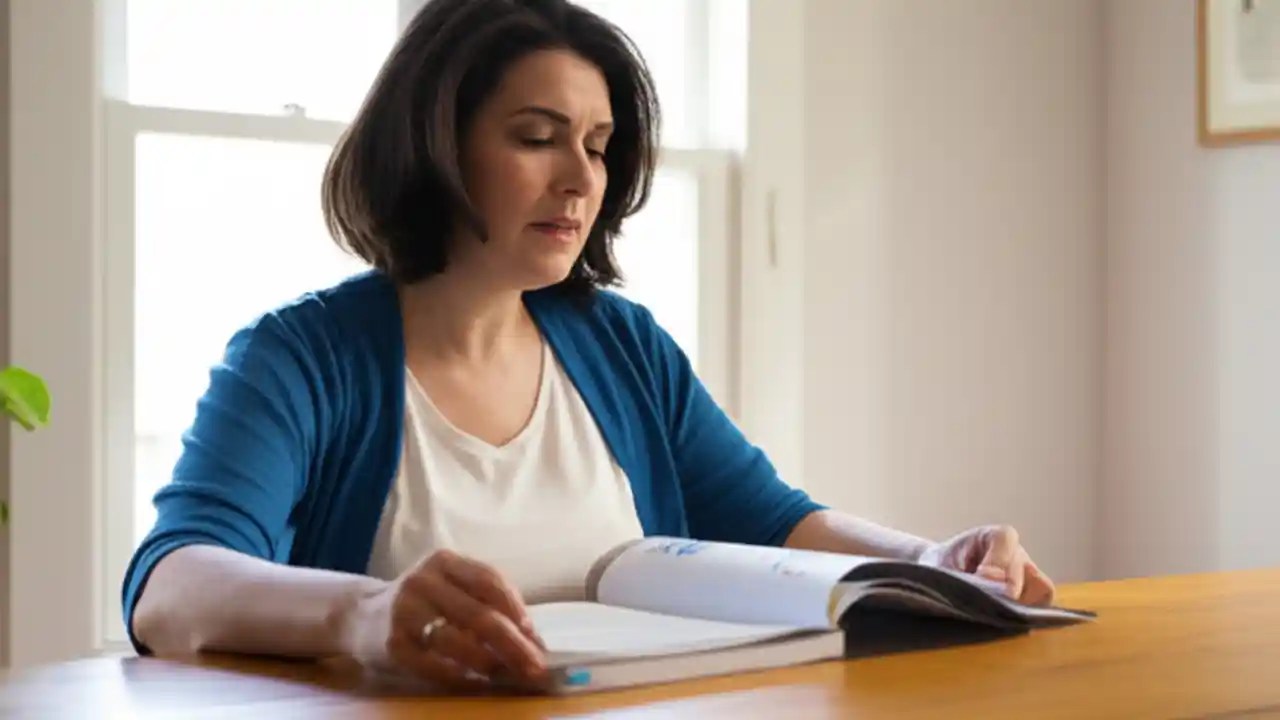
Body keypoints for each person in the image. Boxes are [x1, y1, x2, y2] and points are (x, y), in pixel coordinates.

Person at [123, 0, 1056, 692]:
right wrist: (367, 613)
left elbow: (772, 520)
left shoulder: (620, 345)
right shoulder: (301, 359)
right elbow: (170, 586)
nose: (581, 179)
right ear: (435, 146)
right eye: (538, 137)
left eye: (601, 146)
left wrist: (927, 561)